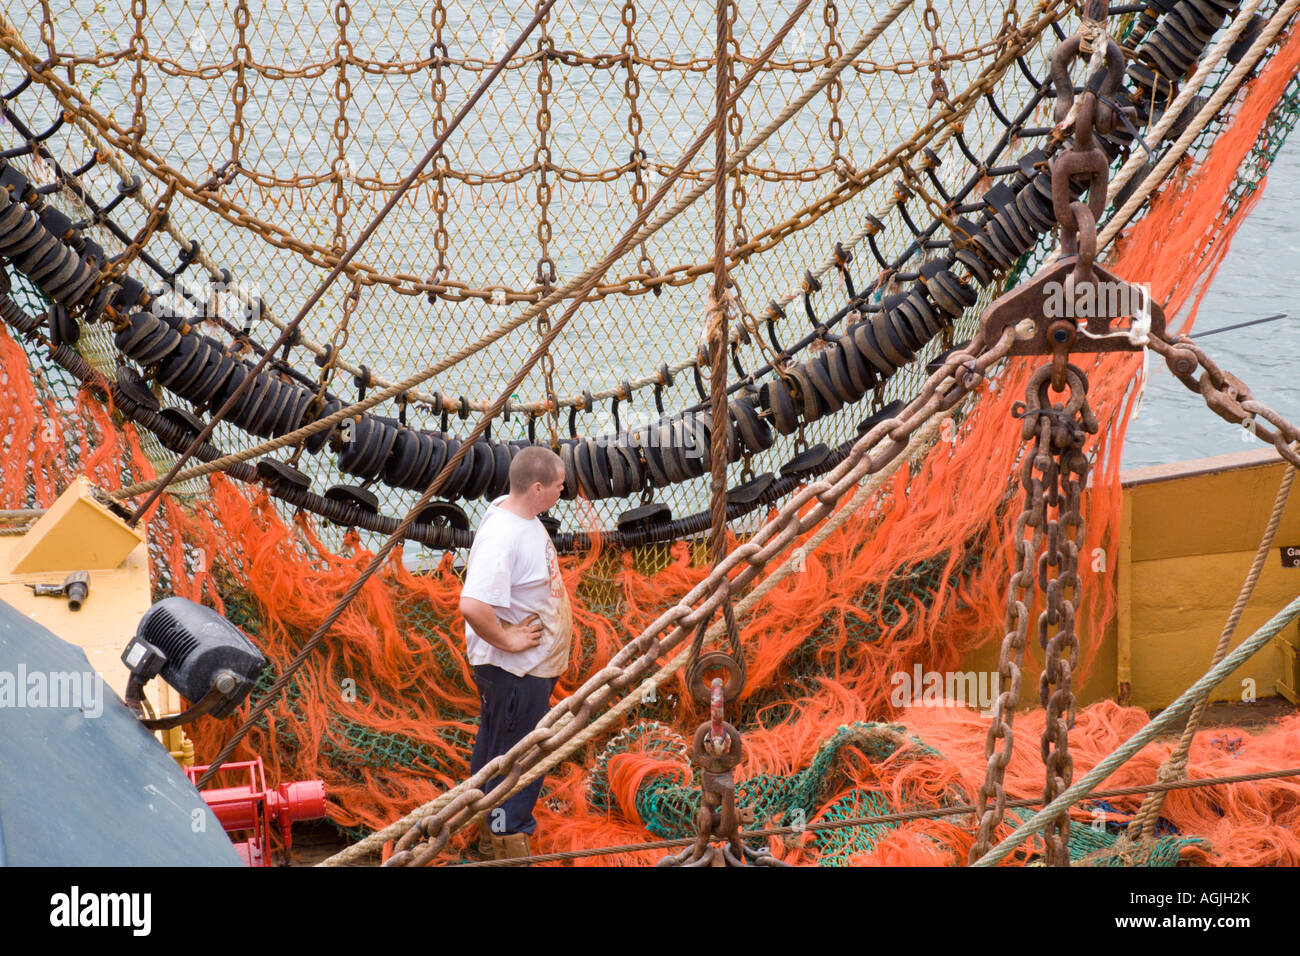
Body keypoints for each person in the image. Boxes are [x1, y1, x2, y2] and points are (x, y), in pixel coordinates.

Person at [458, 445, 572, 861]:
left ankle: (487, 832)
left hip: (521, 673)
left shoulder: (514, 510)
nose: (564, 490)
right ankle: (508, 845)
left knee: (496, 750)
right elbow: (472, 605)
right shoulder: (503, 537)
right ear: (538, 488)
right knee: (519, 761)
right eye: (559, 485)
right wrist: (509, 641)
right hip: (514, 673)